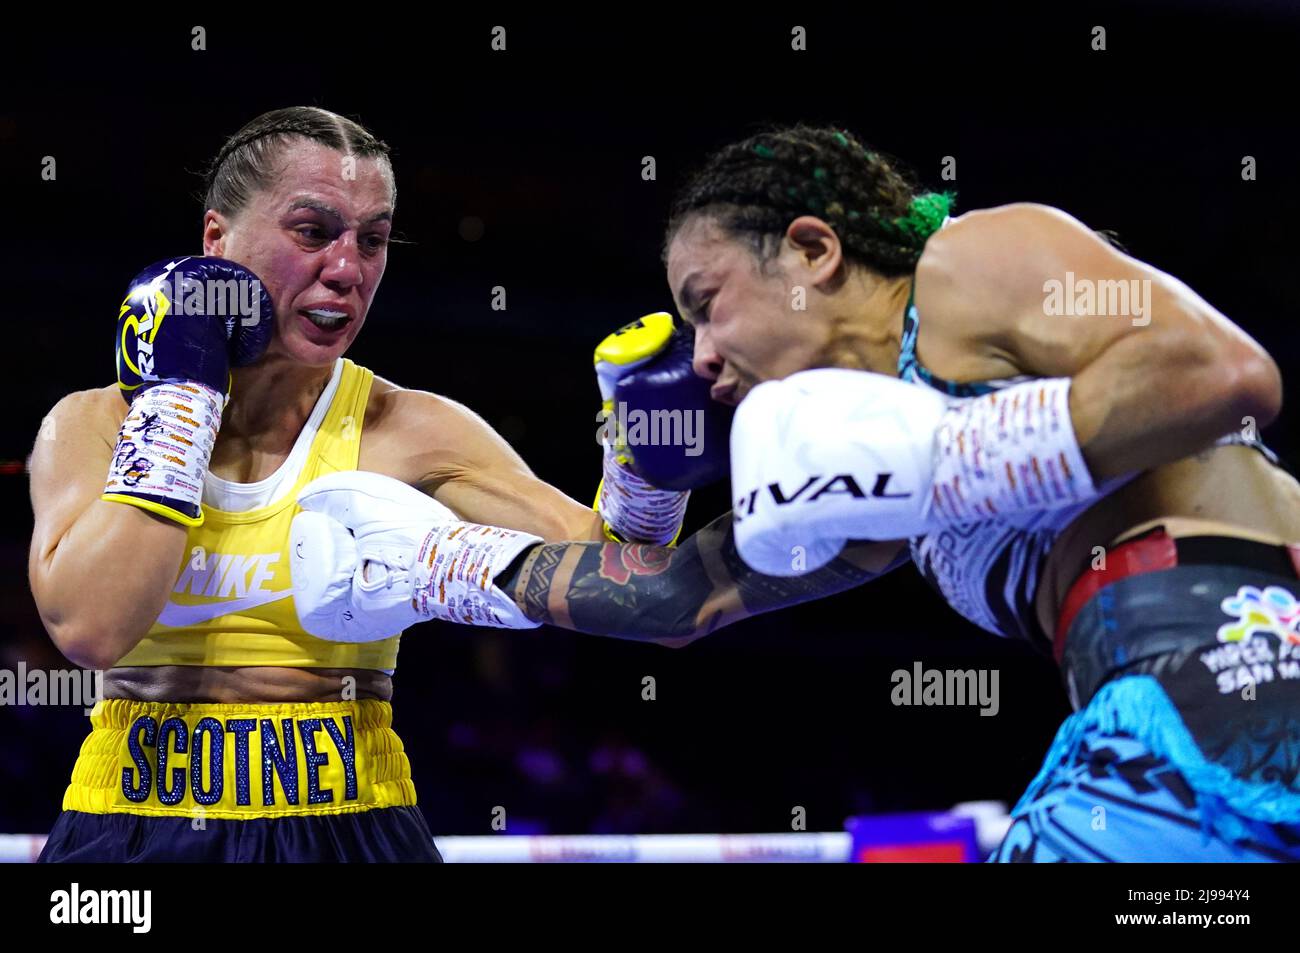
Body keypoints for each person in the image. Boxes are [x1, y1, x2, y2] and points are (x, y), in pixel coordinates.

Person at [29, 108, 889, 862]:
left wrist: (644, 471)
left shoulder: (411, 426)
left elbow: (625, 581)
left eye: (372, 239)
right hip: (129, 823)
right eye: (312, 229)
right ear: (216, 240)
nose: (346, 267)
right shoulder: (93, 424)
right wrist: (181, 397)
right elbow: (94, 627)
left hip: (350, 823)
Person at [653, 124, 1300, 861]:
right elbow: (677, 601)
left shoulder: (971, 265)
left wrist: (952, 455)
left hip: (1243, 670)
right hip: (1155, 721)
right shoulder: (869, 486)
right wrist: (597, 496)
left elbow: (1222, 375)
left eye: (706, 303)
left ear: (812, 249)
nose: (700, 355)